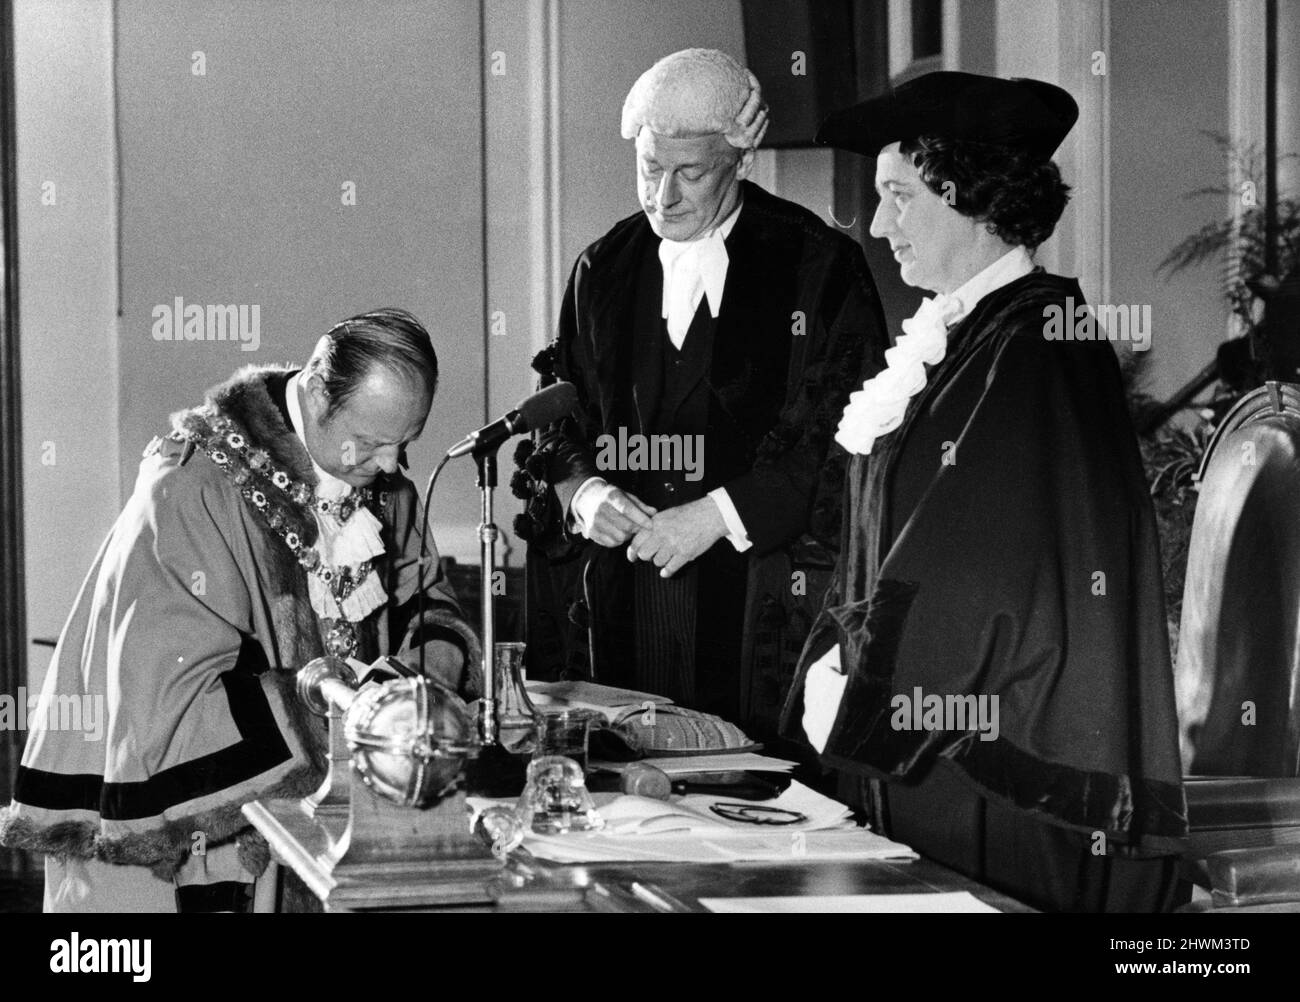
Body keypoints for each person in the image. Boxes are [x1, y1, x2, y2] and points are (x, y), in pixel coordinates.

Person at [782, 72, 1189, 912]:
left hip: (991, 770)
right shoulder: (971, 335)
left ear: (967, 196)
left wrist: (859, 696)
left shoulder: (1034, 342)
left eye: (898, 196)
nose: (880, 223)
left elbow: (971, 573)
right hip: (932, 753)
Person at [0, 308, 480, 912]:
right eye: (373, 441)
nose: (388, 464)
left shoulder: (382, 488)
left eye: (404, 443)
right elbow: (167, 713)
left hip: (342, 829)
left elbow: (428, 602)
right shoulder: (191, 488)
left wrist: (417, 689)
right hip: (205, 852)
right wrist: (351, 715)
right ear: (312, 392)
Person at [518, 48, 887, 737]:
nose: (664, 198)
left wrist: (719, 513)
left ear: (742, 159)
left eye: (691, 174)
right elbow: (556, 415)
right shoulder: (601, 268)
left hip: (762, 611)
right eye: (650, 169)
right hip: (620, 609)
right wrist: (587, 494)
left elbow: (848, 438)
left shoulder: (818, 265)